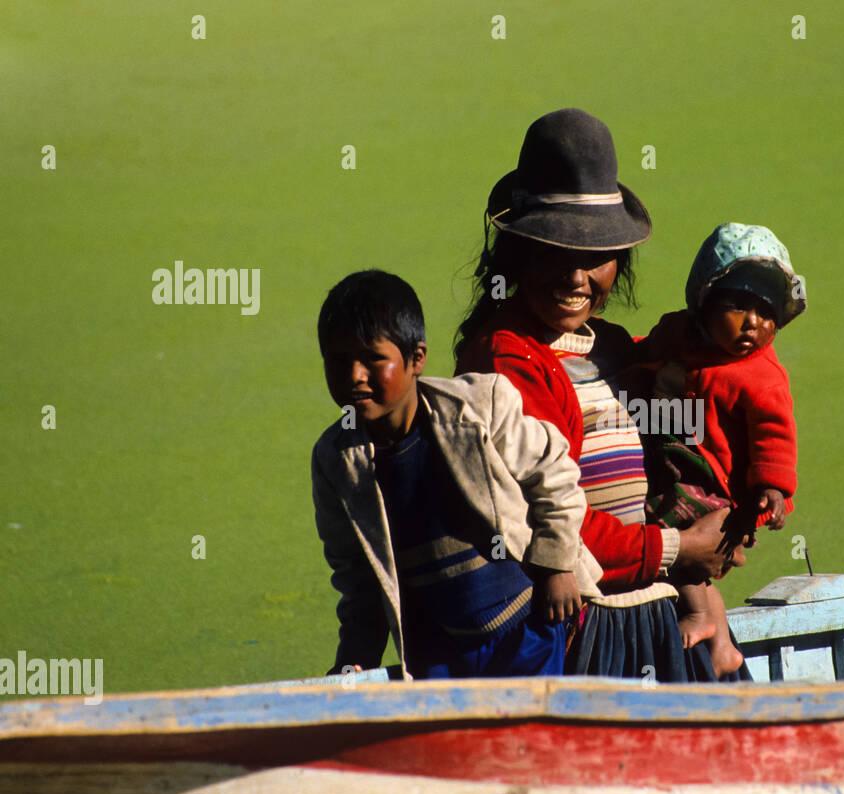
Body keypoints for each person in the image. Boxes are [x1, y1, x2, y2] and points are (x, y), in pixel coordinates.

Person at [454, 108, 749, 682]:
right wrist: (679, 549)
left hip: (665, 610)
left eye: (595, 258)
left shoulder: (613, 347)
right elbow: (551, 515)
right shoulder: (503, 360)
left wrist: (725, 518)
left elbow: (680, 446)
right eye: (554, 253)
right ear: (515, 255)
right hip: (591, 626)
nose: (575, 278)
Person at [311, 269, 602, 680]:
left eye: (372, 359)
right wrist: (356, 655)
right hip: (436, 652)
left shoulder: (481, 405)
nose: (354, 377)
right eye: (337, 362)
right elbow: (355, 572)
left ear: (416, 359)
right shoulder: (335, 460)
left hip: (527, 629)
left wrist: (556, 565)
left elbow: (555, 476)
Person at [635, 222, 804, 677]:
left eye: (766, 312)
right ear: (705, 304)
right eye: (738, 306)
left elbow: (775, 436)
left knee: (675, 534)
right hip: (678, 456)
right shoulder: (680, 334)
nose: (753, 323)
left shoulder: (761, 376)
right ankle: (724, 645)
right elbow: (643, 354)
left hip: (718, 483)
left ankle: (698, 616)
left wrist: (773, 488)